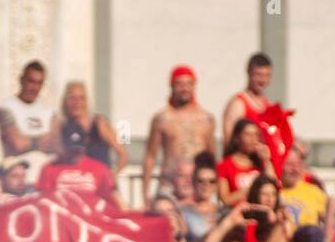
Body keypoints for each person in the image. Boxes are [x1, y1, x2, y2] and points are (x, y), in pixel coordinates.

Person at [142, 66, 216, 198]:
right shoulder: (162, 118)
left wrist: (214, 190)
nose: (184, 88)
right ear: (172, 86)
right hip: (169, 185)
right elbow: (150, 156)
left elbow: (211, 157)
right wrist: (145, 193)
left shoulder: (206, 119)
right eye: (180, 84)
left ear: (194, 86)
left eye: (188, 84)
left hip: (196, 186)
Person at [36, 122, 124, 207]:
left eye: (78, 149)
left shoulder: (100, 169)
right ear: (63, 143)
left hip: (91, 217)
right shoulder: (50, 168)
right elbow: (43, 201)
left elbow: (111, 199)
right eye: (72, 149)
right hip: (62, 216)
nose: (75, 154)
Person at [53, 81, 127, 173]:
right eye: (72, 98)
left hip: (100, 183)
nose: (77, 103)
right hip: (76, 182)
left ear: (86, 101)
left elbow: (123, 154)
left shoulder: (99, 123)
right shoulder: (63, 127)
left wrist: (112, 176)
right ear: (65, 102)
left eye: (81, 98)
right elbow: (58, 156)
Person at [0, 60, 56, 170]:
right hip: (18, 178)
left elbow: (56, 144)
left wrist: (28, 140)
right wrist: (41, 140)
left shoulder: (49, 110)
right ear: (21, 80)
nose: (34, 88)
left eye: (39, 83)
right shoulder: (6, 107)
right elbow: (17, 144)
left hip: (44, 176)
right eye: (31, 81)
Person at [221, 52, 273, 145]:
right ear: (249, 73)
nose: (263, 80)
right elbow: (229, 142)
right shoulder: (238, 104)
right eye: (258, 75)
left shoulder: (267, 104)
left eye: (267, 75)